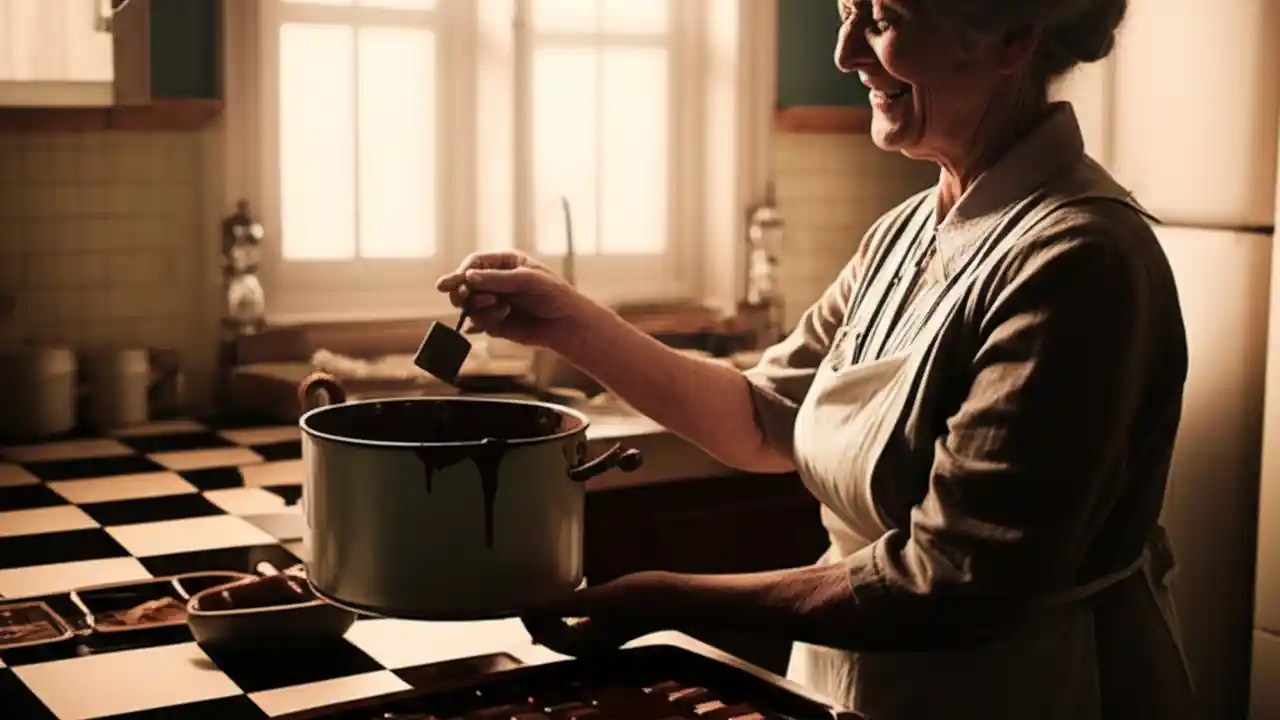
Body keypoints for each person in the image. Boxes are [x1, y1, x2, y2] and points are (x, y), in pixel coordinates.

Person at [435, 0, 1198, 716]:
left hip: (1015, 690)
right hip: (847, 682)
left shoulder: (1079, 262)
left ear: (1011, 38)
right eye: (845, 13)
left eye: (883, 18)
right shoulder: (903, 234)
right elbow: (762, 424)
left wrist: (667, 599)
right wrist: (568, 322)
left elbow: (955, 582)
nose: (844, 53)